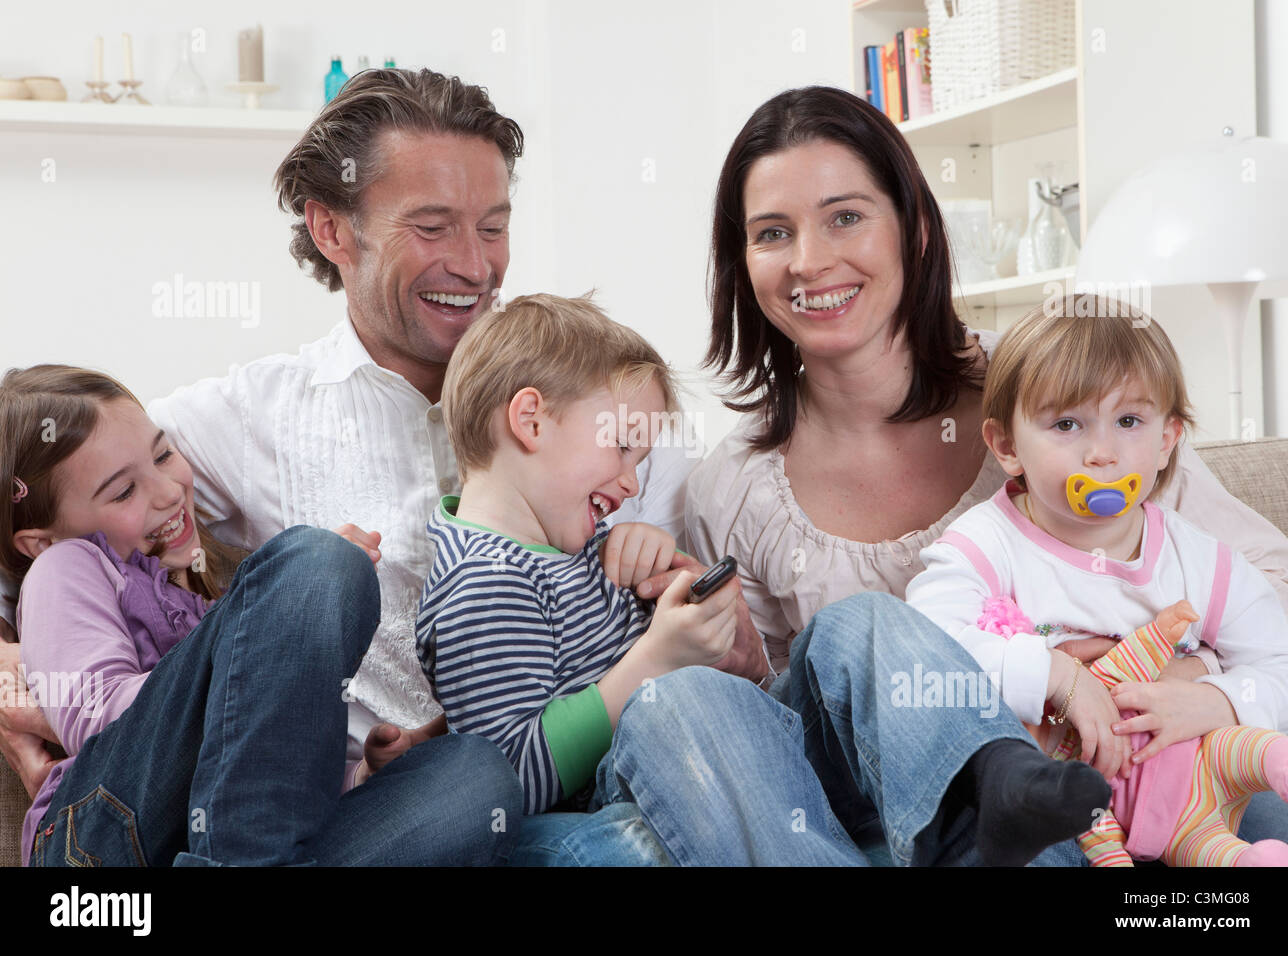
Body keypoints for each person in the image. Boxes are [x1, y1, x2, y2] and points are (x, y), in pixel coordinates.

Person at [0, 70, 758, 864]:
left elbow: (714, 642)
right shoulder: (237, 420)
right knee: (321, 563)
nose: (474, 265)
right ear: (331, 228)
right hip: (296, 812)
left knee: (491, 783)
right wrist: (20, 674)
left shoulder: (607, 408)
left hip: (445, 800)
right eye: (432, 228)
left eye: (493, 227)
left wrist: (701, 610)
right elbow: (57, 504)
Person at [686, 85, 1288, 864]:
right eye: (773, 233)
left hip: (1152, 764)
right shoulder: (730, 490)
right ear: (744, 262)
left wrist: (1173, 676)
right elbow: (773, 731)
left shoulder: (1060, 388)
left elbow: (1272, 588)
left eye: (845, 216)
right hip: (912, 823)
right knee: (864, 629)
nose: (809, 260)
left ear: (913, 230)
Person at [418, 291, 1107, 865]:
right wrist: (655, 662)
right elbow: (507, 780)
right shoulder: (481, 583)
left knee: (858, 620)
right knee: (679, 699)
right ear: (530, 419)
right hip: (634, 800)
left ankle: (983, 784)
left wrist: (667, 578)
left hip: (757, 762)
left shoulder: (578, 539)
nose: (631, 484)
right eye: (623, 448)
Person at [1, 365, 521, 866]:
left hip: (219, 840)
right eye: (122, 491)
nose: (166, 491)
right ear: (41, 540)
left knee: (474, 777)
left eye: (163, 456)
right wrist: (254, 626)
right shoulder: (66, 566)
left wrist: (360, 776)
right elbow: (95, 719)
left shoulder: (200, 596)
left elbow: (263, 780)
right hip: (100, 836)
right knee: (321, 561)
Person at [904, 305, 1288, 866]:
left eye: (1129, 422)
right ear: (1006, 445)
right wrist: (1055, 674)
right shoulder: (985, 545)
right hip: (1060, 806)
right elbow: (923, 647)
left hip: (1190, 789)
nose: (1102, 454)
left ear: (1168, 440)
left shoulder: (1202, 560)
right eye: (1066, 425)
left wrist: (1216, 701)